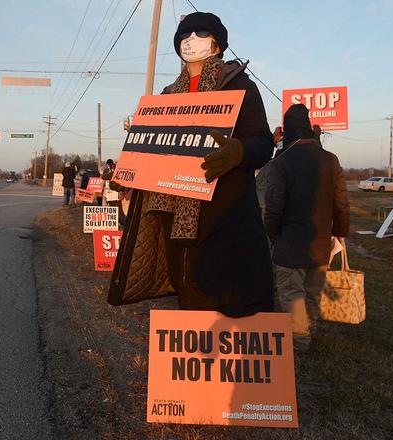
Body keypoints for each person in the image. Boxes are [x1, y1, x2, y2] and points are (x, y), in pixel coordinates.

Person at [108, 12, 275, 317]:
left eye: (200, 33)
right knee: (189, 296)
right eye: (185, 35)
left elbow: (263, 143)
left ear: (217, 44)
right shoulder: (167, 96)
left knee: (229, 300)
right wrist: (128, 173)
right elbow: (149, 152)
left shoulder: (238, 86)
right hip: (176, 224)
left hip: (225, 216)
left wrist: (238, 151)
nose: (191, 39)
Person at [264, 103, 350, 352]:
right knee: (312, 292)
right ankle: (307, 333)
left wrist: (272, 233)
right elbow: (341, 202)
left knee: (292, 294)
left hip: (290, 244)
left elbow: (273, 206)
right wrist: (341, 232)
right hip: (320, 243)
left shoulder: (283, 162)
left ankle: (299, 343)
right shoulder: (330, 160)